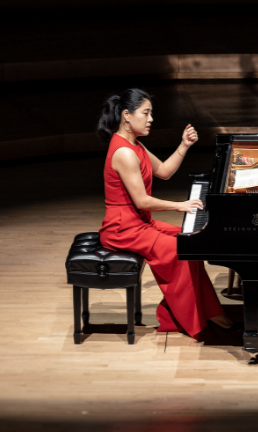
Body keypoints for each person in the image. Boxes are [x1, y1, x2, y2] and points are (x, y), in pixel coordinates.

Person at [96, 88, 237, 338]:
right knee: (176, 251)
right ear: (127, 115)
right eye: (146, 113)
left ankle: (208, 311)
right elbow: (142, 201)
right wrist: (179, 205)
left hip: (139, 224)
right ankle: (192, 320)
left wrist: (184, 145)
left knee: (190, 241)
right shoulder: (124, 153)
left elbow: (163, 171)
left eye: (151, 113)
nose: (151, 119)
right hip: (122, 230)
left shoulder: (134, 145)